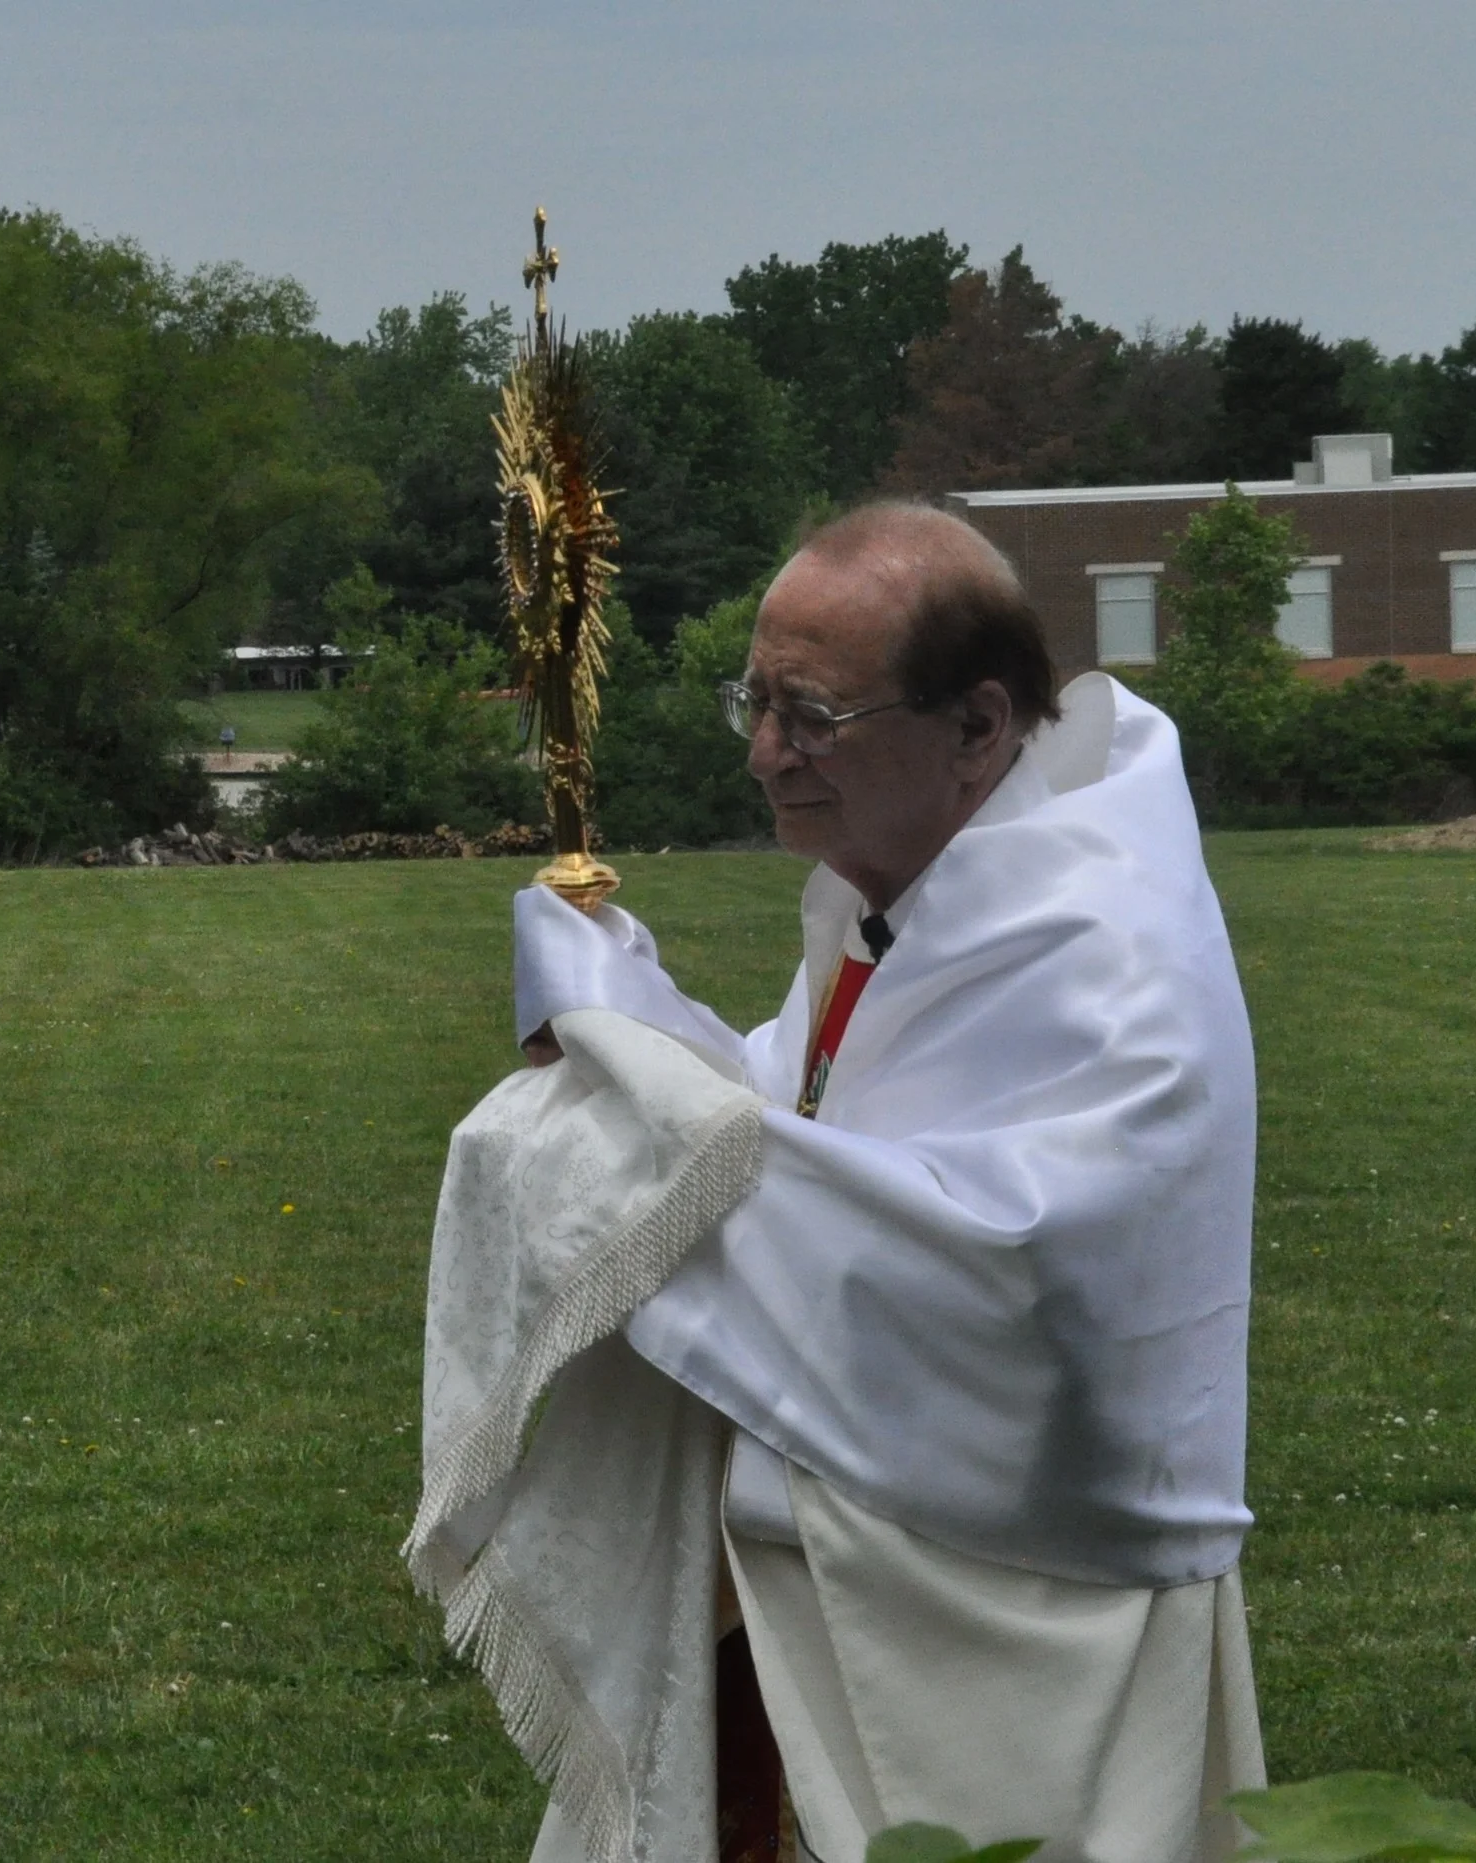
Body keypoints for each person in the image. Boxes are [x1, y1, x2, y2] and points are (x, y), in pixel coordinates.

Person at [419, 502, 1263, 1863]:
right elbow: (798, 1121)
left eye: (811, 715)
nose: (765, 755)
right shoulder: (928, 886)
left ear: (980, 726)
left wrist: (601, 1127)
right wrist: (628, 1021)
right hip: (837, 1581)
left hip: (1013, 1636)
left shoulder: (1106, 959)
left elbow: (985, 1271)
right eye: (753, 701)